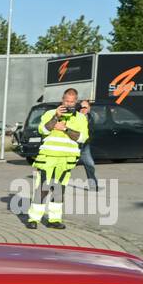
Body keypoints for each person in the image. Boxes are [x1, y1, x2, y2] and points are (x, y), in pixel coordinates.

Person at [27, 87, 89, 228]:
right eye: (66, 101)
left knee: (59, 189)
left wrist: (65, 129)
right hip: (48, 157)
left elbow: (82, 138)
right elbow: (42, 130)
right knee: (43, 187)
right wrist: (56, 117)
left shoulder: (80, 118)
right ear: (62, 100)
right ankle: (33, 219)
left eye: (72, 102)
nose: (68, 104)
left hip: (66, 159)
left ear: (76, 102)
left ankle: (54, 220)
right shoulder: (50, 113)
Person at [77, 99, 98, 190]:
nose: (83, 109)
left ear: (89, 109)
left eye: (85, 107)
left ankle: (93, 186)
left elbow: (92, 131)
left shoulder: (91, 118)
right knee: (66, 166)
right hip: (74, 145)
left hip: (85, 146)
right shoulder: (75, 117)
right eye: (81, 107)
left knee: (90, 165)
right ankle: (58, 184)